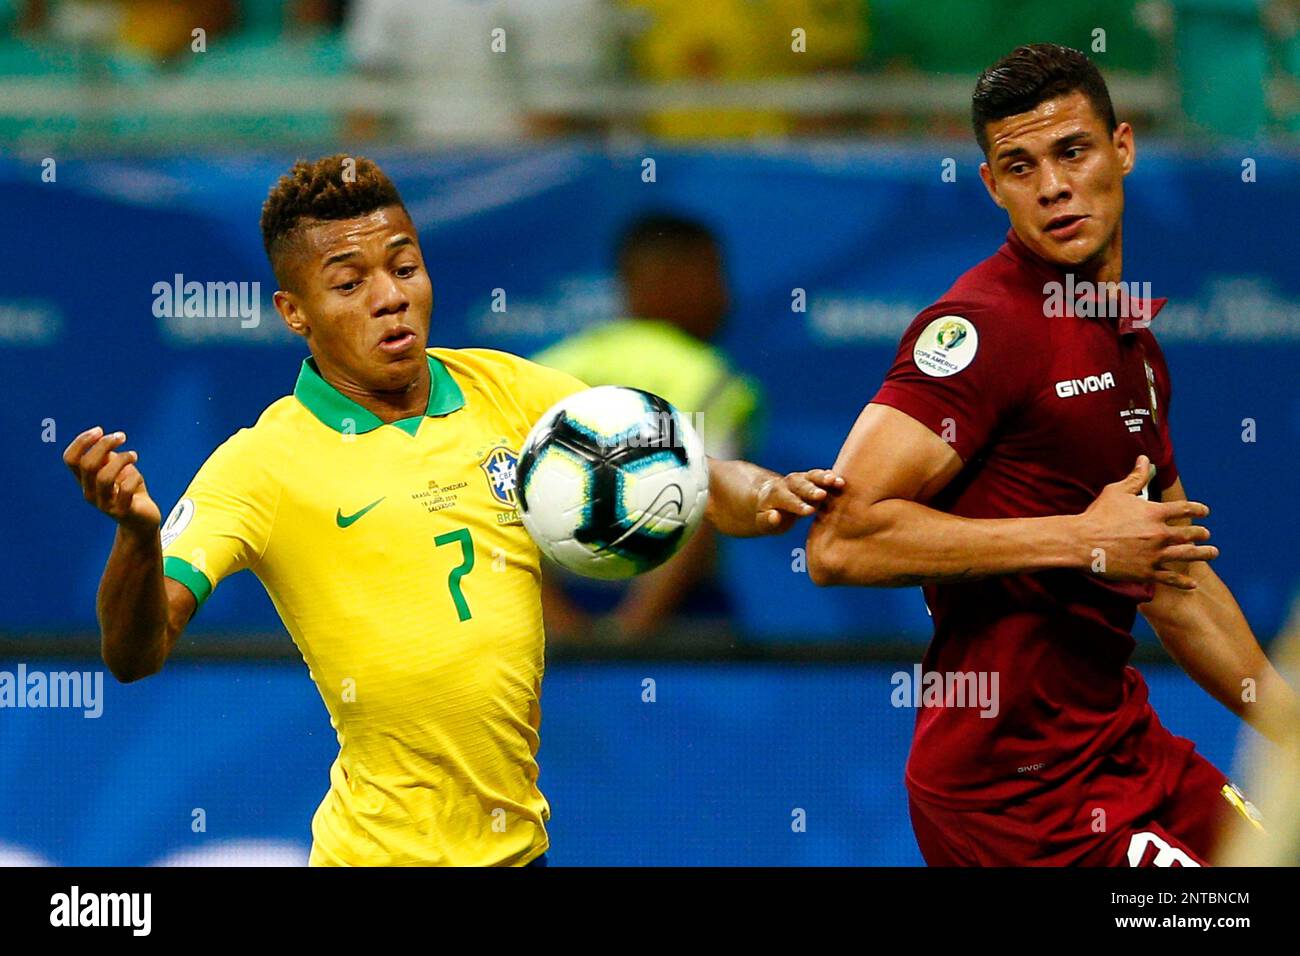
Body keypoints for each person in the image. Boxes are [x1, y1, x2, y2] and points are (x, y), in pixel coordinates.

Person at [63, 154, 842, 867]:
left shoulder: (510, 392)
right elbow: (137, 651)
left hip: (519, 851)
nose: (390, 296)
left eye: (405, 266)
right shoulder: (260, 464)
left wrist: (760, 491)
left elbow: (688, 471)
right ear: (295, 312)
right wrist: (135, 539)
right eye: (348, 283)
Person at [807, 44, 1297, 866]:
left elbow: (1172, 577)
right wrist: (1079, 538)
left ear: (1124, 148)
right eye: (1019, 165)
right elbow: (839, 540)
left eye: (1073, 151)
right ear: (993, 186)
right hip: (1017, 800)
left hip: (1125, 746)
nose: (1053, 186)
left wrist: (1288, 728)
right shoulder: (976, 330)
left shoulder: (1133, 345)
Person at [533, 214, 761, 643]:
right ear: (677, 280)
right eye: (713, 277)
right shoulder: (710, 377)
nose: (724, 299)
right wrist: (631, 634)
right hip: (679, 620)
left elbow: (501, 510)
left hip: (546, 623)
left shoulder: (546, 368)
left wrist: (560, 625)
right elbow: (705, 507)